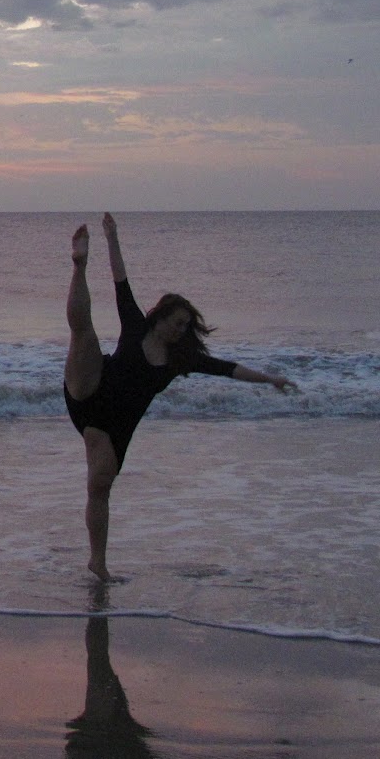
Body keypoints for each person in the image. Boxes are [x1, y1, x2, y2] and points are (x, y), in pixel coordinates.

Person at [64, 213, 296, 581]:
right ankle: (78, 265)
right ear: (161, 316)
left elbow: (228, 369)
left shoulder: (179, 361)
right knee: (83, 333)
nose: (182, 330)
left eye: (186, 327)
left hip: (113, 429)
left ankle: (98, 562)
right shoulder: (135, 324)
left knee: (99, 489)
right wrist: (112, 236)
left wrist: (271, 379)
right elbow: (120, 280)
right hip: (89, 388)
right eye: (178, 322)